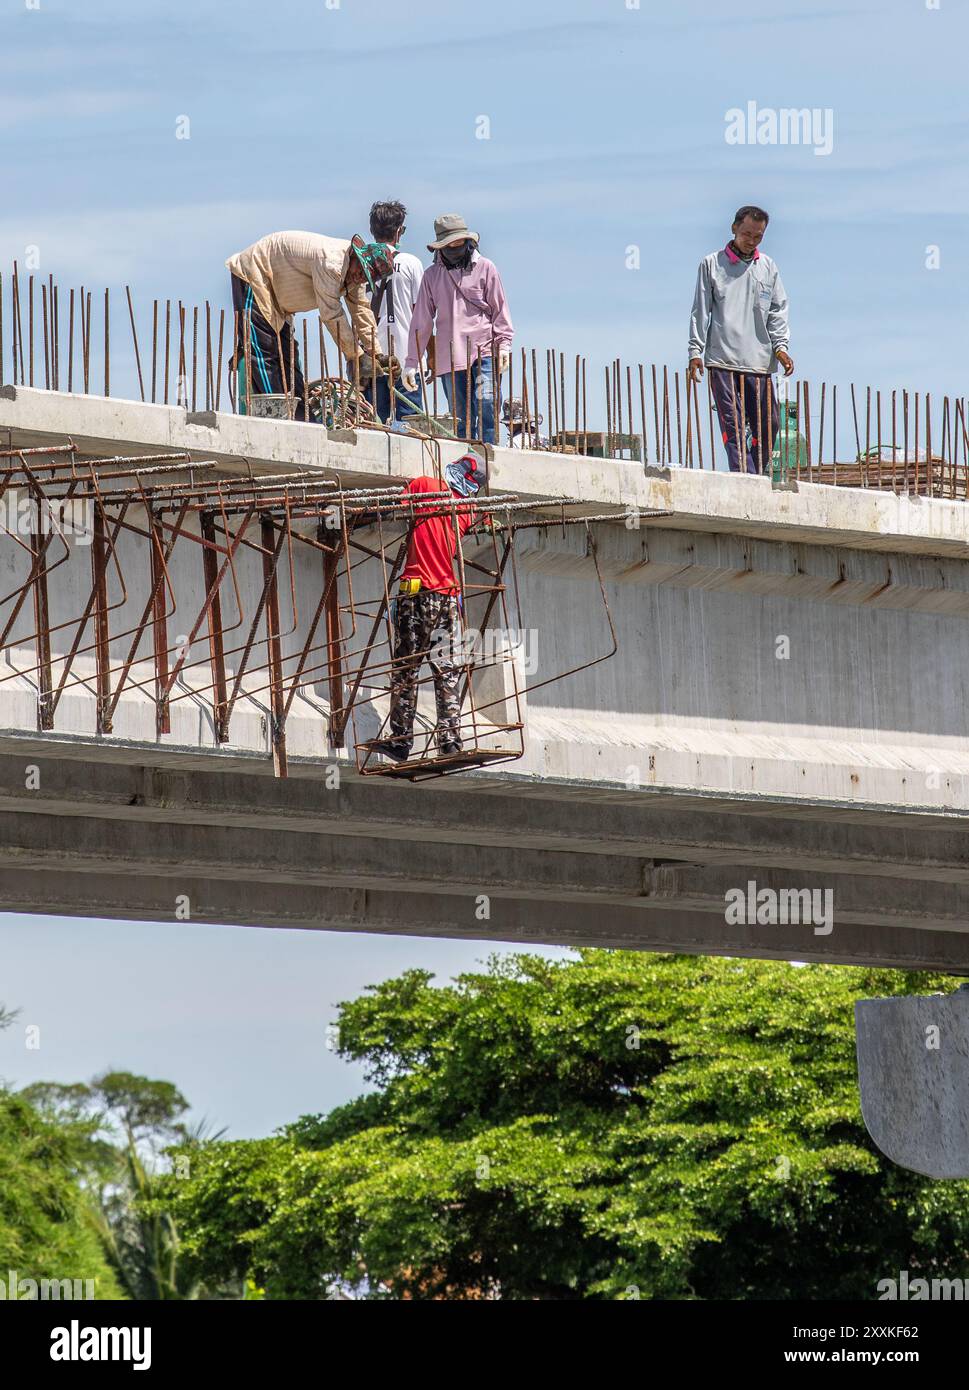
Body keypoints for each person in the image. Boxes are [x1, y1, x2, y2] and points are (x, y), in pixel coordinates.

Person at [373, 454, 488, 763]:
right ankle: (451, 741)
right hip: (448, 598)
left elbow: (395, 506)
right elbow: (484, 521)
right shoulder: (465, 508)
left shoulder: (425, 486)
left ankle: (401, 740)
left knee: (407, 670)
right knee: (446, 671)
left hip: (416, 594)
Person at [226, 230, 395, 419]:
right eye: (360, 272)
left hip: (279, 301)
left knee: (288, 358)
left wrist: (376, 353)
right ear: (356, 257)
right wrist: (356, 355)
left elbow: (361, 310)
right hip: (256, 275)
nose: (359, 278)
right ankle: (278, 416)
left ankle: (300, 417)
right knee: (265, 354)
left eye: (365, 278)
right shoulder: (332, 262)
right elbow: (331, 313)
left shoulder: (356, 275)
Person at [687, 206, 793, 474]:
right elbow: (700, 310)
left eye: (758, 236)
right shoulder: (712, 264)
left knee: (770, 424)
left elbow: (777, 311)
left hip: (758, 363)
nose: (752, 240)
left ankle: (755, 471)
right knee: (732, 426)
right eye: (747, 233)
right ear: (734, 228)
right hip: (722, 360)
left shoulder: (768, 268)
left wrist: (781, 348)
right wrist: (695, 352)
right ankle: (743, 476)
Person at [403, 214, 513, 445]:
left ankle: (488, 456)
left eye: (458, 243)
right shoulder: (431, 276)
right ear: (440, 247)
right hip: (450, 357)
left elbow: (499, 308)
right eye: (449, 245)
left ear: (467, 242)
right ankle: (466, 463)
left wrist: (504, 344)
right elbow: (421, 321)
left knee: (487, 407)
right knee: (460, 418)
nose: (454, 248)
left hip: (484, 351)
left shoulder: (486, 268)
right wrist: (412, 362)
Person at [364, 200, 428, 424]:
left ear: (372, 231)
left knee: (374, 425)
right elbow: (421, 313)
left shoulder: (361, 266)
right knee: (410, 427)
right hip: (406, 357)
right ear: (399, 231)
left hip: (372, 359)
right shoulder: (410, 263)